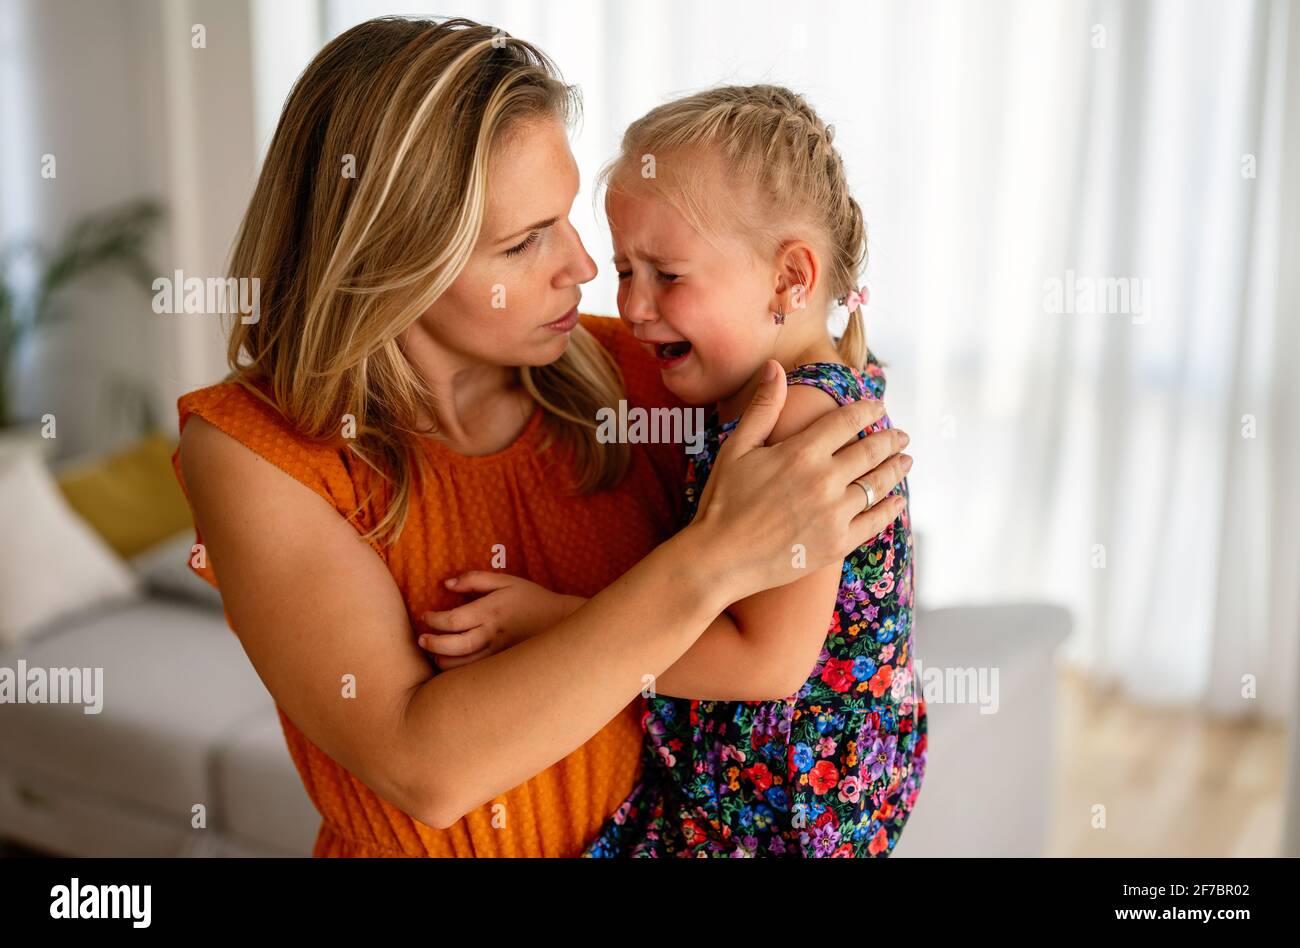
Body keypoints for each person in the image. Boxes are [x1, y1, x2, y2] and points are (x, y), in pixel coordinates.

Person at [173, 16, 912, 857]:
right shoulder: (256, 452)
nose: (585, 269)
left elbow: (820, 449)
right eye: (525, 242)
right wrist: (712, 558)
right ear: (390, 258)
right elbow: (426, 769)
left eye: (565, 219)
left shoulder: (651, 373)